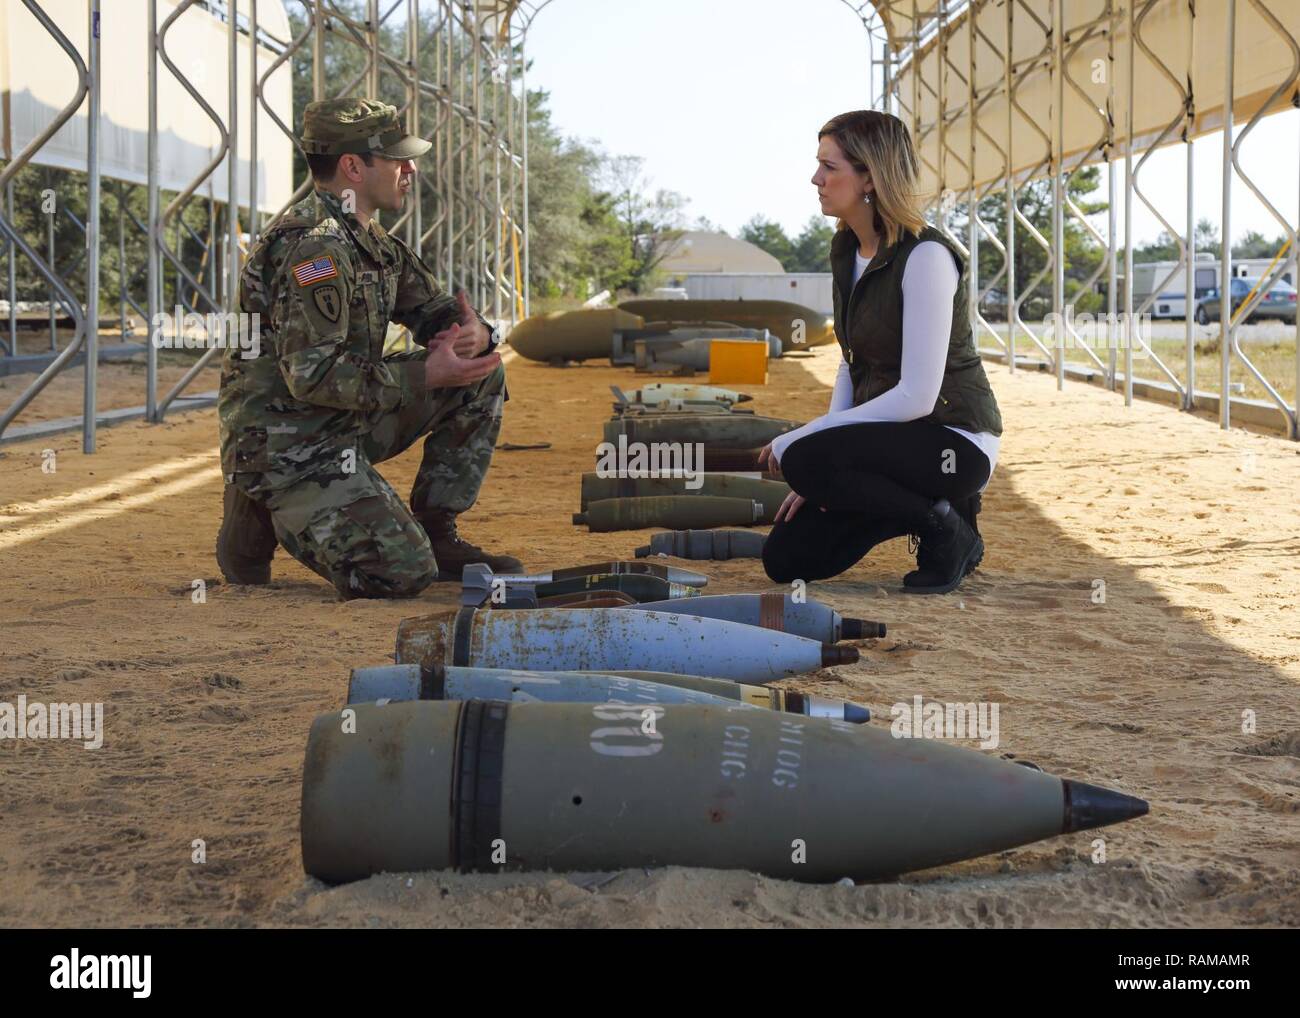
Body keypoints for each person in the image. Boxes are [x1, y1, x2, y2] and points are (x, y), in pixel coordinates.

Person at [216, 97, 522, 598]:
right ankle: (262, 504)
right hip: (286, 442)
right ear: (353, 167)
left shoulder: (369, 239)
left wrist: (475, 334)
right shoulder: (314, 246)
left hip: (340, 419)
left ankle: (439, 531)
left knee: (480, 371)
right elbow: (312, 376)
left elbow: (434, 309)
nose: (410, 170)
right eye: (398, 158)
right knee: (398, 574)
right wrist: (426, 375)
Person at [759, 110, 1003, 595]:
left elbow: (916, 396)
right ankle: (935, 509)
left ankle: (945, 528)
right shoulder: (846, 250)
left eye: (829, 167)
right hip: (889, 446)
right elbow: (852, 363)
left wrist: (813, 445)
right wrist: (826, 468)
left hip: (952, 441)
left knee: (806, 459)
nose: (816, 179)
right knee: (787, 559)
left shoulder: (926, 256)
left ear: (870, 176)